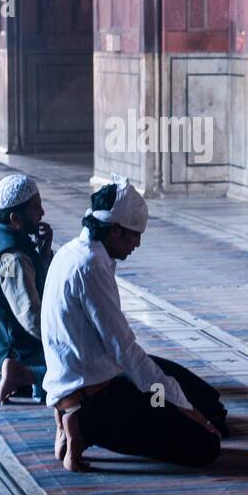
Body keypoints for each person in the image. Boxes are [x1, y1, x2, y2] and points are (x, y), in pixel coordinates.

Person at [40, 177, 227, 472]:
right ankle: (83, 425)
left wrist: (182, 401)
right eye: (133, 235)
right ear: (114, 229)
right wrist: (182, 408)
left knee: (208, 404)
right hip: (96, 395)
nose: (137, 243)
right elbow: (124, 349)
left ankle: (73, 413)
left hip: (91, 376)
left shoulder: (73, 252)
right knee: (206, 444)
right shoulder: (89, 266)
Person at [0, 174, 54, 404]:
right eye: (36, 208)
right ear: (16, 218)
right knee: (88, 368)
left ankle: (22, 377)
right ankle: (24, 376)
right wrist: (66, 338)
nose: (42, 213)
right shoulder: (13, 259)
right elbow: (31, 317)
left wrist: (43, 254)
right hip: (11, 357)